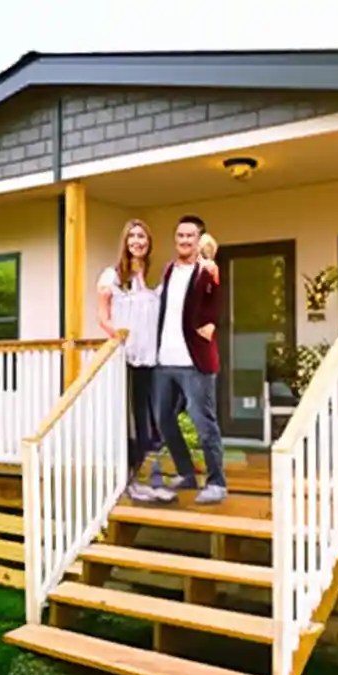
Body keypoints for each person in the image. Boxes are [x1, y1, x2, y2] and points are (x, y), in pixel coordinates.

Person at [96, 218, 175, 503]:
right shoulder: (113, 276)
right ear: (125, 242)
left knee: (156, 421)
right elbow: (103, 317)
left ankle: (148, 480)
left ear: (148, 242)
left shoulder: (153, 278)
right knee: (133, 422)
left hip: (152, 360)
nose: (138, 241)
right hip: (127, 360)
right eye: (133, 237)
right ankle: (131, 482)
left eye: (142, 236)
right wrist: (117, 335)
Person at [153, 215, 228, 504]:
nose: (185, 240)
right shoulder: (169, 270)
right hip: (165, 360)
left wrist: (210, 324)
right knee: (164, 419)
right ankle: (186, 473)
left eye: (190, 236)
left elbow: (217, 302)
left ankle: (216, 482)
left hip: (195, 361)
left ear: (199, 240)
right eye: (180, 236)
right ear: (176, 239)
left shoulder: (207, 269)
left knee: (203, 422)